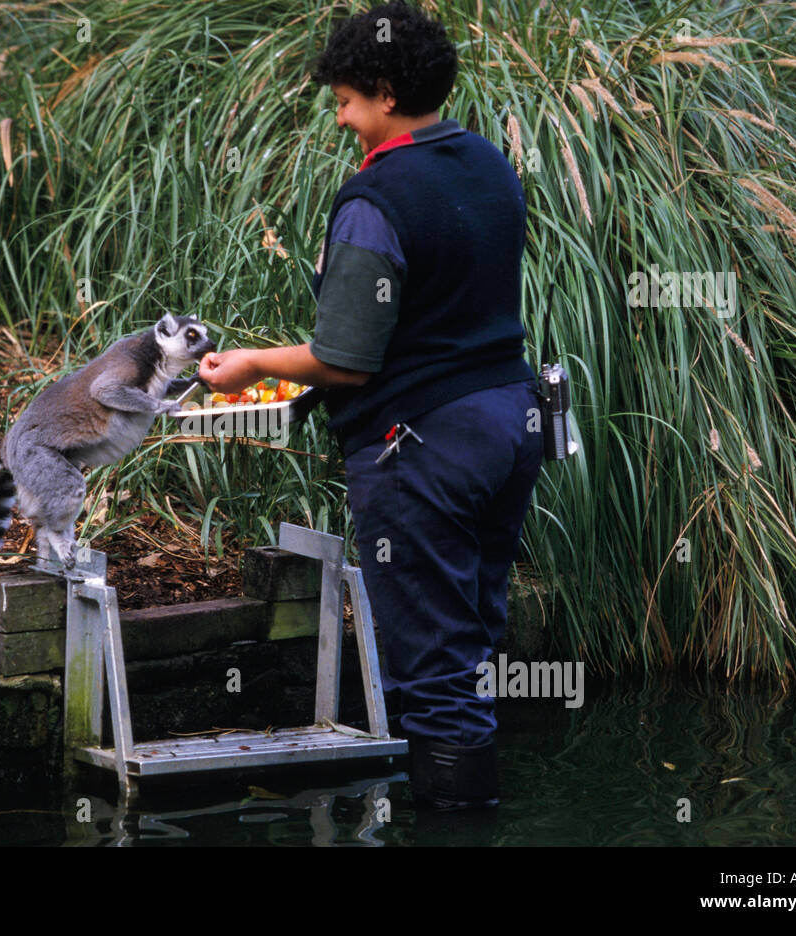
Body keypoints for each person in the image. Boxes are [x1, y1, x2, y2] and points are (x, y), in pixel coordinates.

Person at [199, 0, 543, 809]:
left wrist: (250, 363)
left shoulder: (375, 199)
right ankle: (476, 807)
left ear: (385, 92)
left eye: (347, 101)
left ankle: (452, 824)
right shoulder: (488, 162)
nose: (342, 119)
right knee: (470, 641)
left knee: (430, 670)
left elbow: (345, 363)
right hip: (511, 426)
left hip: (422, 448)